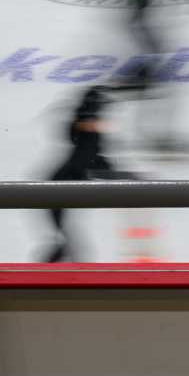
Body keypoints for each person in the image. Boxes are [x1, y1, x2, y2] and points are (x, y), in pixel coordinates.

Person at [41, 85, 134, 262]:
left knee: (65, 240)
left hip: (60, 186)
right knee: (65, 240)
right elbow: (88, 160)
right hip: (58, 188)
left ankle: (55, 267)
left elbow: (92, 157)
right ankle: (50, 270)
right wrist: (123, 175)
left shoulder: (88, 131)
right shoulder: (87, 132)